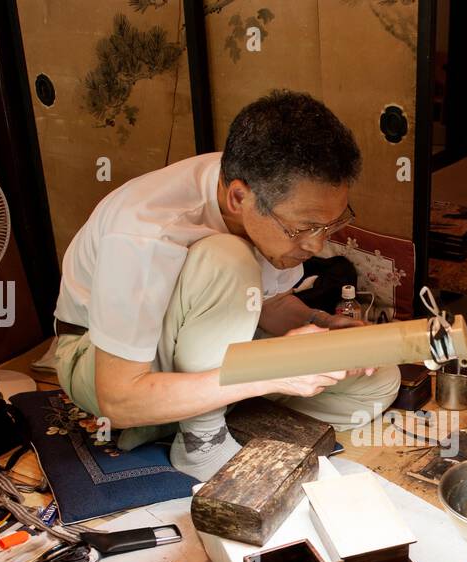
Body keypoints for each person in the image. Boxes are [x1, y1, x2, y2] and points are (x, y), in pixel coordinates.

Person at [52, 90, 400, 478]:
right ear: (238, 196)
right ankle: (202, 442)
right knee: (227, 257)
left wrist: (327, 327)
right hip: (109, 366)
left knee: (376, 381)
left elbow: (268, 303)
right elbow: (118, 397)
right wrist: (271, 371)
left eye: (330, 224)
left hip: (204, 349)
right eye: (303, 228)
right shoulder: (144, 231)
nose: (317, 245)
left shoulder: (265, 187)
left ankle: (195, 412)